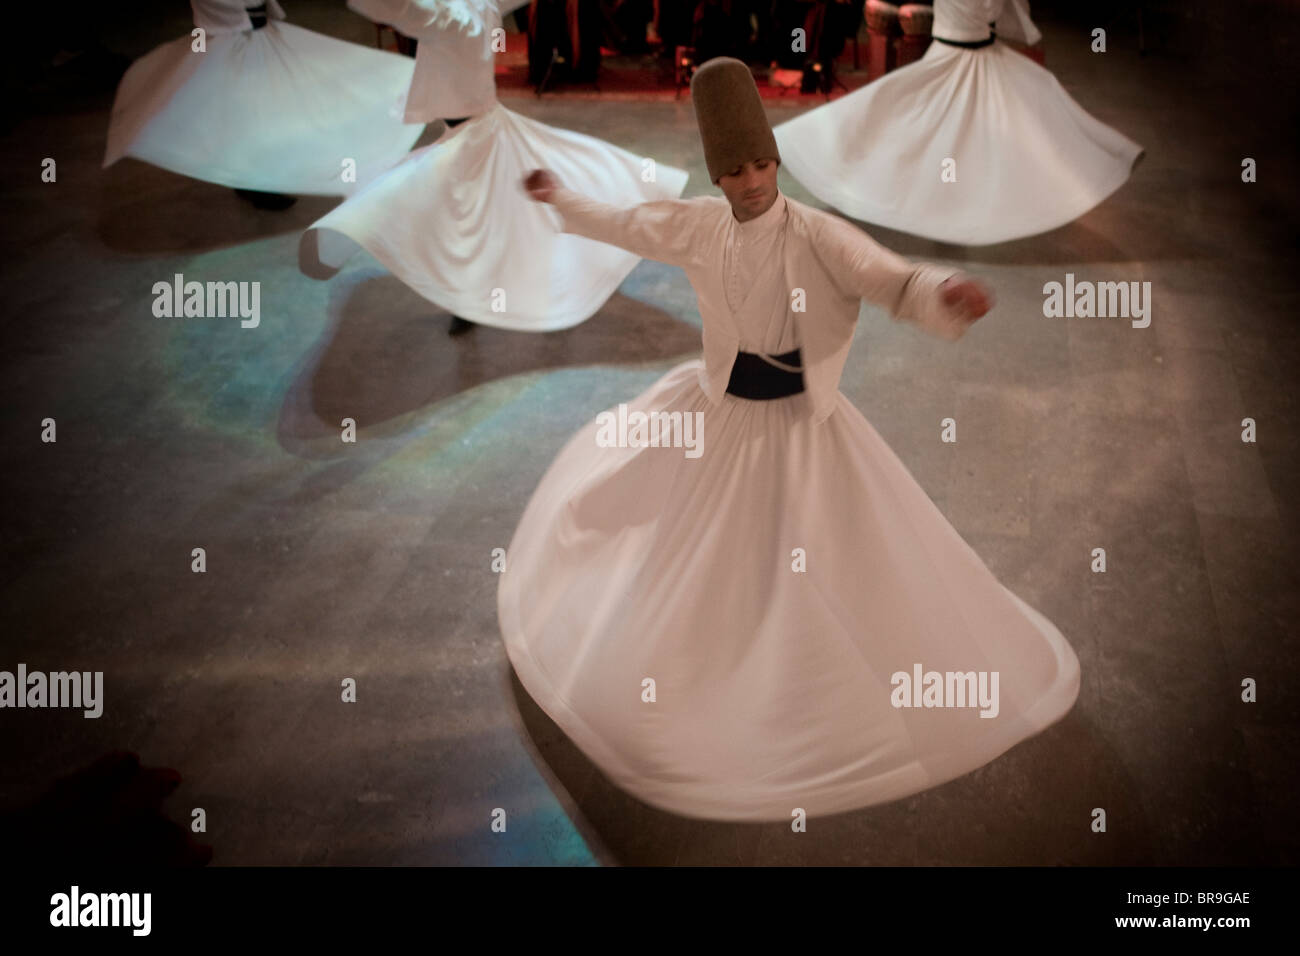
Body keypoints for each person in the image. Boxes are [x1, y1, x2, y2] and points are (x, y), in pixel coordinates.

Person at [498, 57, 1080, 822]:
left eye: (762, 163)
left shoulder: (817, 235)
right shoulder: (702, 227)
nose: (752, 182)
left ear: (776, 159)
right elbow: (627, 223)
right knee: (707, 555)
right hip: (721, 415)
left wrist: (944, 294)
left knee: (834, 556)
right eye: (735, 170)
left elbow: (891, 280)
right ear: (717, 175)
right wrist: (559, 199)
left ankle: (811, 686)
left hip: (802, 424)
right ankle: (709, 682)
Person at [300, 0, 688, 335]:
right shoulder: (478, 6)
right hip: (481, 127)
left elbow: (392, 8)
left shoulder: (450, 15)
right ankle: (480, 294)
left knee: (455, 213)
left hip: (472, 137)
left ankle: (474, 299)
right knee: (480, 210)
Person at [771, 0, 1145, 245]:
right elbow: (1014, 20)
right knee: (988, 124)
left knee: (928, 125)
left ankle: (939, 193)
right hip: (968, 56)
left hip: (953, 52)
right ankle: (961, 200)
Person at [103, 1, 424, 207]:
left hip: (250, 34)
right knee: (245, 111)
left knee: (261, 109)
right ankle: (252, 179)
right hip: (233, 38)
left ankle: (255, 176)